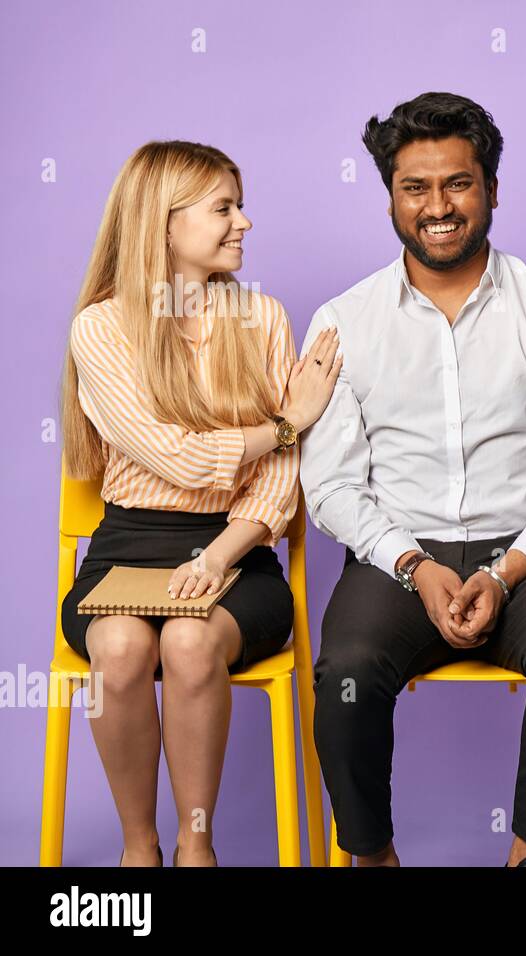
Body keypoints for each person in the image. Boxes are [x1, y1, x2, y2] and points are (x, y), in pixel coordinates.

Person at [299, 92, 526, 868]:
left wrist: (510, 570)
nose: (438, 207)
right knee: (344, 669)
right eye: (416, 188)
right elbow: (332, 485)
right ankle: (372, 857)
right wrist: (414, 564)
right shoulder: (344, 319)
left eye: (458, 184)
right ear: (391, 199)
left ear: (492, 190)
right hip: (399, 554)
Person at [59, 140, 340, 866]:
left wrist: (218, 557)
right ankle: (138, 847)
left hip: (238, 554)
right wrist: (284, 424)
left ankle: (195, 844)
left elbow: (283, 479)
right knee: (119, 650)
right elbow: (173, 455)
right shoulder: (101, 328)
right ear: (165, 222)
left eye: (240, 205)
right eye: (224, 208)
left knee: (188, 642)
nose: (244, 222)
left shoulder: (265, 319)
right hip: (126, 548)